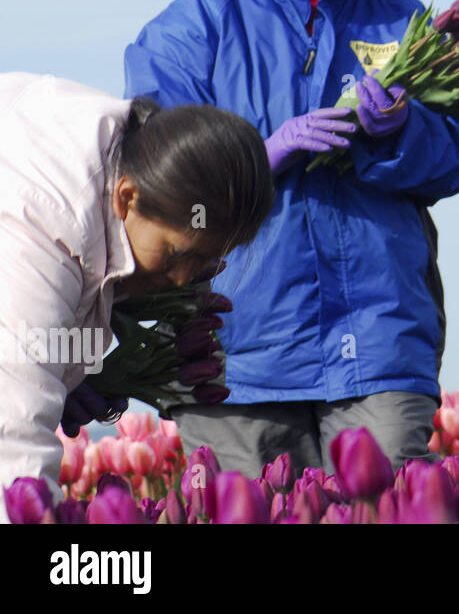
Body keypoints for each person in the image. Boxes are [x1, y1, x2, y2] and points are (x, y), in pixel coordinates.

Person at [124, 0, 459, 479]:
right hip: (234, 352)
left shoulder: (406, 21)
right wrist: (258, 158)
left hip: (380, 345)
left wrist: (400, 135)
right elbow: (149, 170)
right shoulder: (188, 30)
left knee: (394, 508)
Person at [0, 73, 273, 521]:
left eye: (205, 259)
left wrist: (71, 368)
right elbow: (13, 432)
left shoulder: (127, 152)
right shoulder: (45, 221)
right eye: (176, 253)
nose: (184, 278)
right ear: (127, 197)